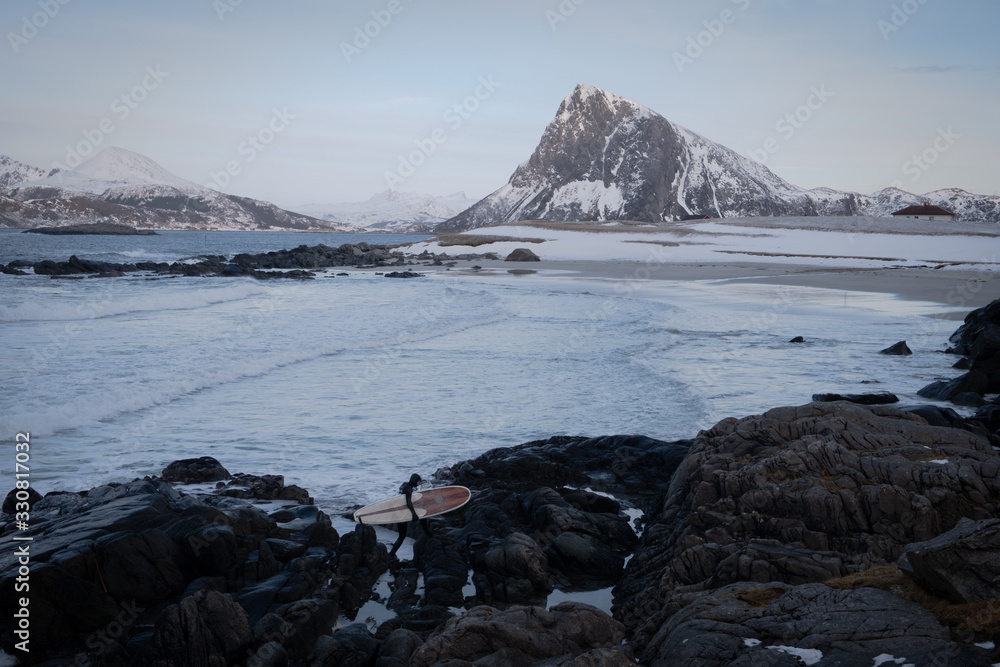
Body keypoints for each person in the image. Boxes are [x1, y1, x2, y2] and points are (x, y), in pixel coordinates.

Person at [389, 473, 433, 557]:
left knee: (422, 517)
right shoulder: (409, 489)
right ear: (414, 481)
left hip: (399, 512)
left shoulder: (404, 485)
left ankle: (427, 533)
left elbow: (402, 499)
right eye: (418, 482)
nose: (418, 483)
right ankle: (391, 553)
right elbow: (408, 503)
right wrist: (414, 514)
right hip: (403, 515)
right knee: (402, 536)